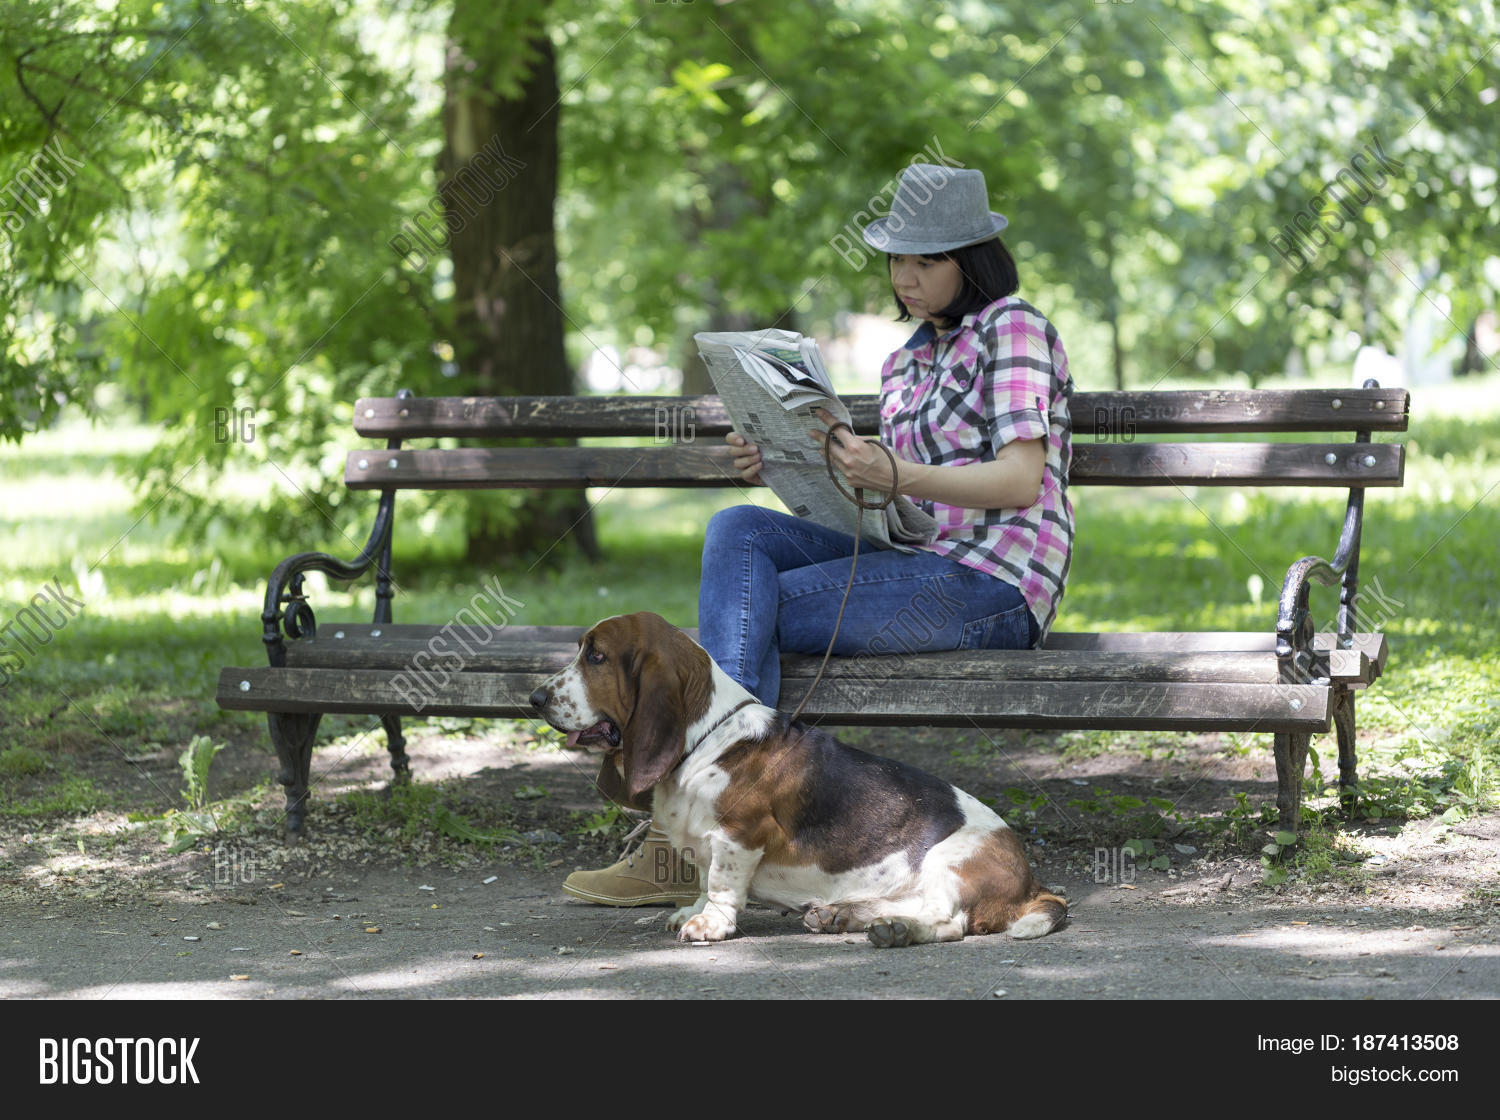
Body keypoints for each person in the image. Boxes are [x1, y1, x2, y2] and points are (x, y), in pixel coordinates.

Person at [561, 162, 1075, 907]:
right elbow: (878, 506)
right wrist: (780, 463)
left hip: (994, 586)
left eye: (927, 261)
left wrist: (894, 473)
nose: (906, 276)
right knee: (739, 532)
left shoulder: (1014, 328)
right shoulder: (906, 362)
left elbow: (1020, 479)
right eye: (897, 258)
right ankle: (713, 819)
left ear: (974, 261)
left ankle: (694, 831)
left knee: (752, 602)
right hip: (916, 556)